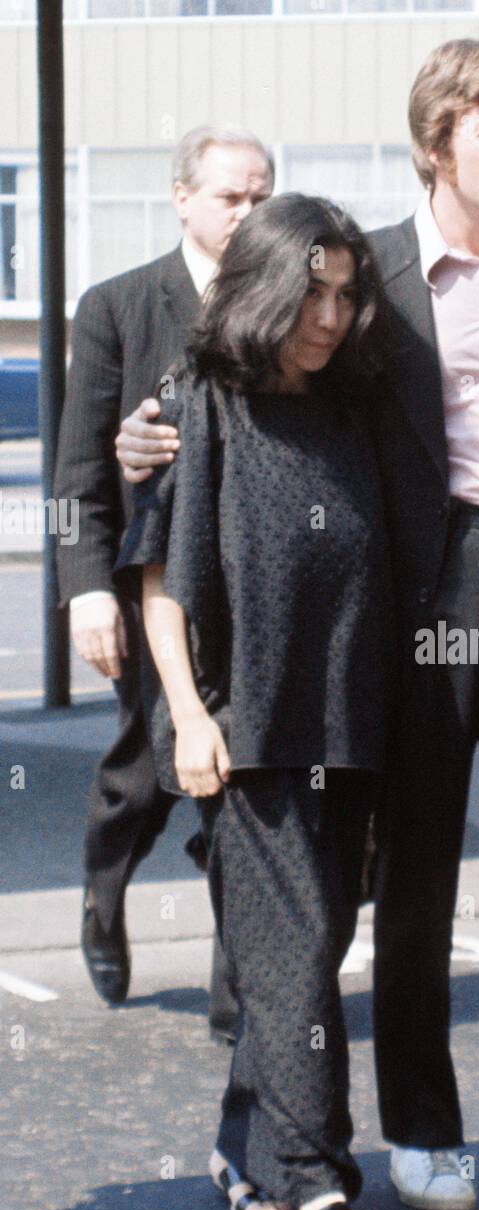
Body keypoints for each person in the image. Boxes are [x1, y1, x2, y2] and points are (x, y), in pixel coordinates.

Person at [116, 36, 479, 1210]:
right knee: (417, 875)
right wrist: (151, 431)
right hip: (419, 593)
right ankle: (421, 1122)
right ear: (434, 145)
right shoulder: (374, 277)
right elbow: (250, 364)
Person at [115, 193, 391, 1210]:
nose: (327, 315)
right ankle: (324, 1190)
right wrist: (187, 716)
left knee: (307, 946)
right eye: (309, 292)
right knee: (296, 961)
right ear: (266, 287)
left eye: (343, 294)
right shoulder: (201, 403)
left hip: (349, 725)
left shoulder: (353, 406)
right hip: (245, 723)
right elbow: (161, 584)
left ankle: (245, 1145)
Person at [54, 126, 273, 1038]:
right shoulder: (116, 307)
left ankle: (238, 989)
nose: (251, 213)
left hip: (260, 588)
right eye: (233, 197)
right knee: (146, 777)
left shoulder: (292, 304)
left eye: (265, 196)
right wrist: (84, 586)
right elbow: (76, 470)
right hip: (157, 586)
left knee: (245, 781)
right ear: (182, 198)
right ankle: (104, 892)